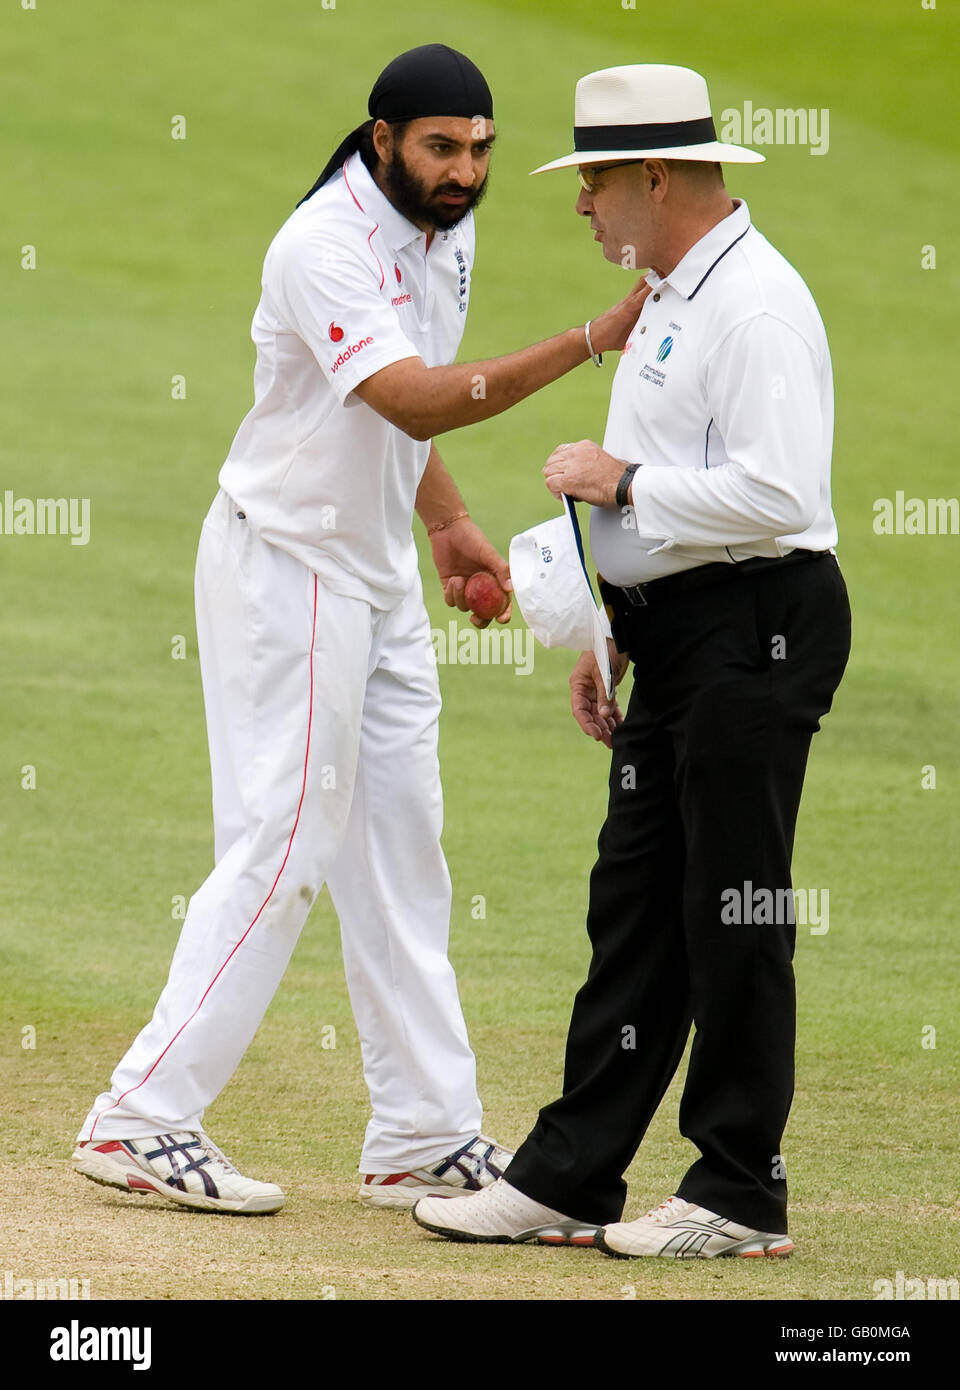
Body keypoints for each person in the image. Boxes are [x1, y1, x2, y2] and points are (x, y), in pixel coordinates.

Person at [72, 45, 647, 1216]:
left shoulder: (449, 230)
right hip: (288, 570)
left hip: (375, 574)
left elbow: (408, 408)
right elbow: (411, 394)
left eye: (482, 148)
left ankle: (422, 1133)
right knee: (284, 848)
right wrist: (591, 339)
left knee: (400, 851)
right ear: (381, 138)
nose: (465, 171)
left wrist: (448, 527)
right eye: (441, 148)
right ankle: (139, 1117)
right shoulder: (321, 246)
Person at [413, 63, 852, 1257]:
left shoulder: (754, 302)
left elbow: (780, 490)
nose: (579, 207)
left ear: (655, 177)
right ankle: (569, 1175)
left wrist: (624, 485)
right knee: (636, 907)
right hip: (677, 635)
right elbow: (667, 490)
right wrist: (611, 633)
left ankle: (737, 1192)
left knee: (734, 904)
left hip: (760, 624)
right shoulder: (667, 288)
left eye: (594, 182)